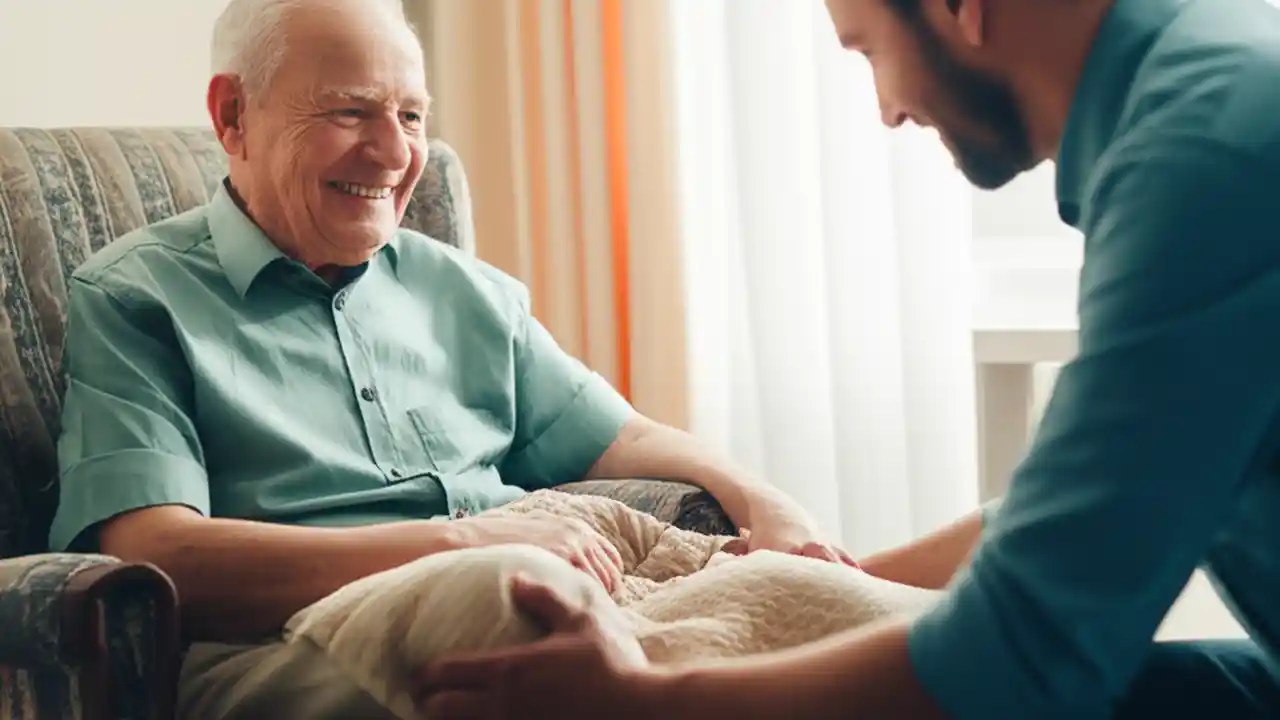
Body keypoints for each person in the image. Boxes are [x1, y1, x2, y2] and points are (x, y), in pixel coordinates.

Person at [416, 0, 1280, 717]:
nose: (889, 108)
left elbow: (1021, 655)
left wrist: (646, 701)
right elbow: (1103, 502)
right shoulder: (1203, 90)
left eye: (869, 50)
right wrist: (844, 582)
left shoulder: (1202, 160)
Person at [46, 0, 852, 717]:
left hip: (518, 604)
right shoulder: (137, 296)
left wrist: (769, 503)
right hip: (287, 644)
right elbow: (154, 552)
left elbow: (624, 437)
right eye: (351, 111)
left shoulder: (465, 290)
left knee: (821, 606)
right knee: (525, 600)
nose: (393, 153)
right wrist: (462, 543)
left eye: (411, 115)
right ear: (233, 116)